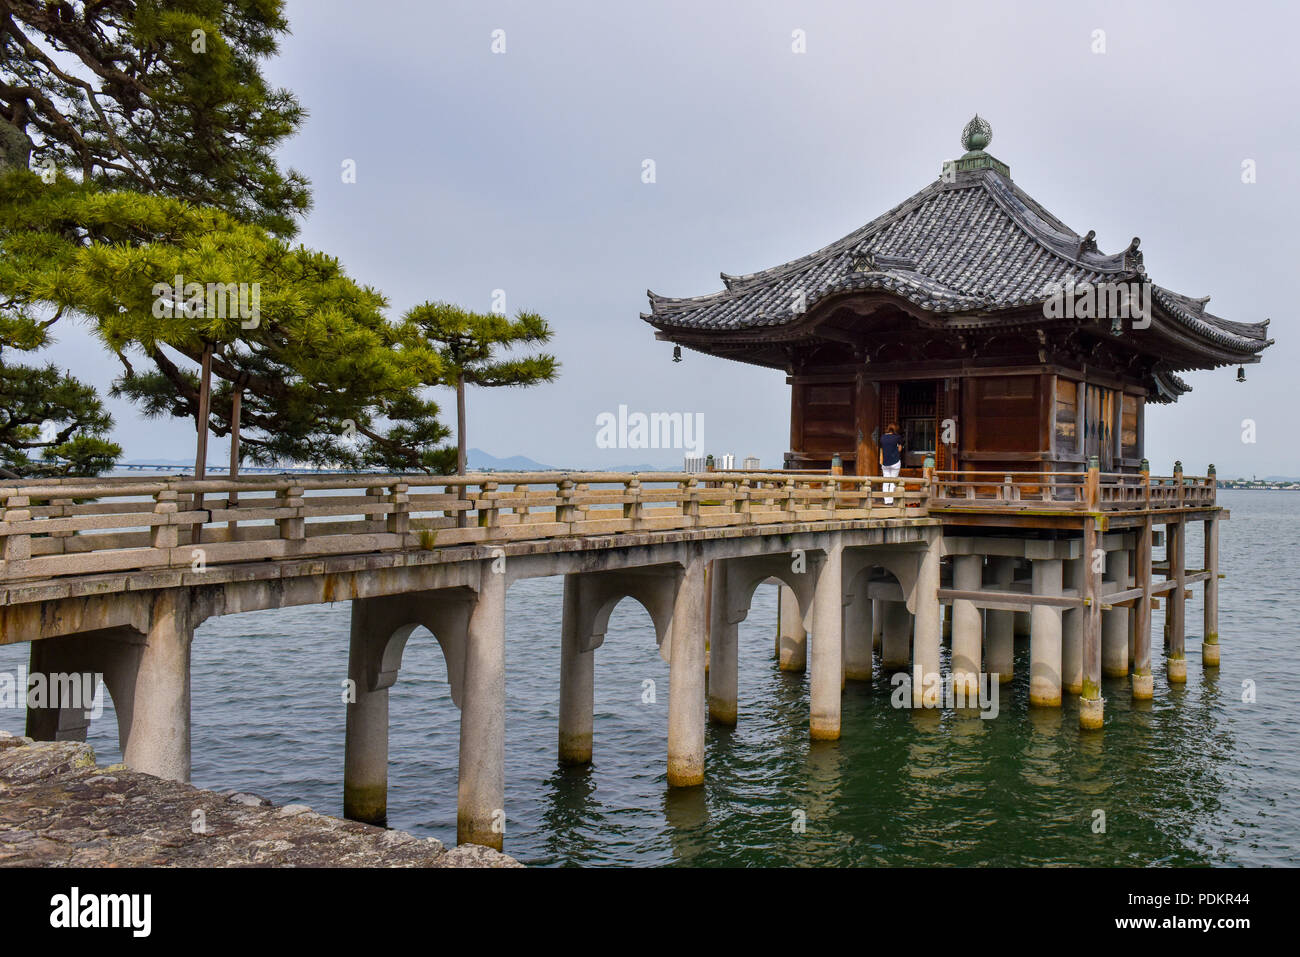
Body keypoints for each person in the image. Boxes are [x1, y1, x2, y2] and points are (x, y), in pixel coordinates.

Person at [879, 423, 904, 504]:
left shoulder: (882, 437)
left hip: (885, 462)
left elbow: (882, 449)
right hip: (895, 461)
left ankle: (886, 500)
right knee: (893, 481)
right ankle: (891, 500)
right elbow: (900, 449)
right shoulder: (897, 437)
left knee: (886, 481)